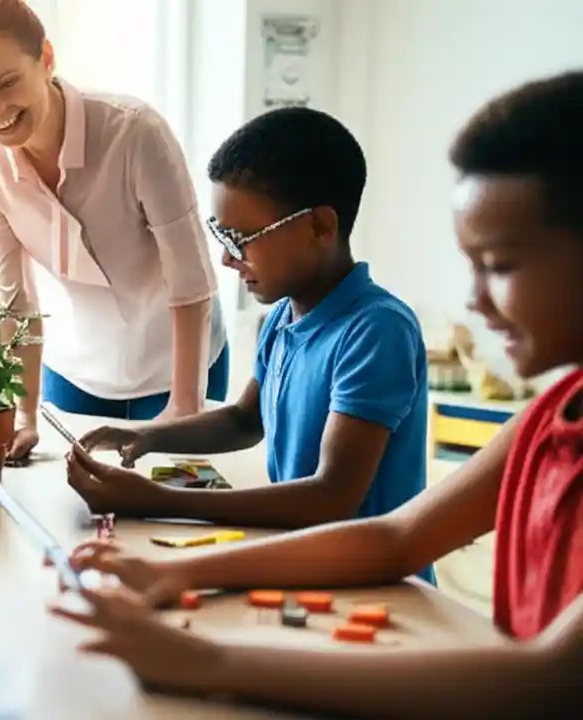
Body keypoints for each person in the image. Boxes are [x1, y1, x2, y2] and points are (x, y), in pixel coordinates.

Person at [54, 72, 583, 719]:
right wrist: (179, 572)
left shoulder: (377, 326)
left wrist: (208, 661)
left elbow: (551, 680)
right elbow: (393, 538)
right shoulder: (548, 417)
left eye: (498, 266)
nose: (473, 301)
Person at [73, 107, 430, 541]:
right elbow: (244, 421)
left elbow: (331, 498)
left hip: (378, 585)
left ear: (319, 226)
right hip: (306, 560)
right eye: (222, 236)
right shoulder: (282, 317)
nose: (227, 257)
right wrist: (143, 435)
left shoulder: (376, 332)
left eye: (241, 239)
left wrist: (157, 499)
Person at [0, 0, 228, 460]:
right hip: (77, 371)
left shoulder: (135, 134)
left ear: (47, 59)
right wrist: (24, 415)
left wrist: (186, 404)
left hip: (177, 361)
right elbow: (17, 303)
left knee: (171, 511)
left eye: (7, 83)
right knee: (71, 507)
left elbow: (191, 280)